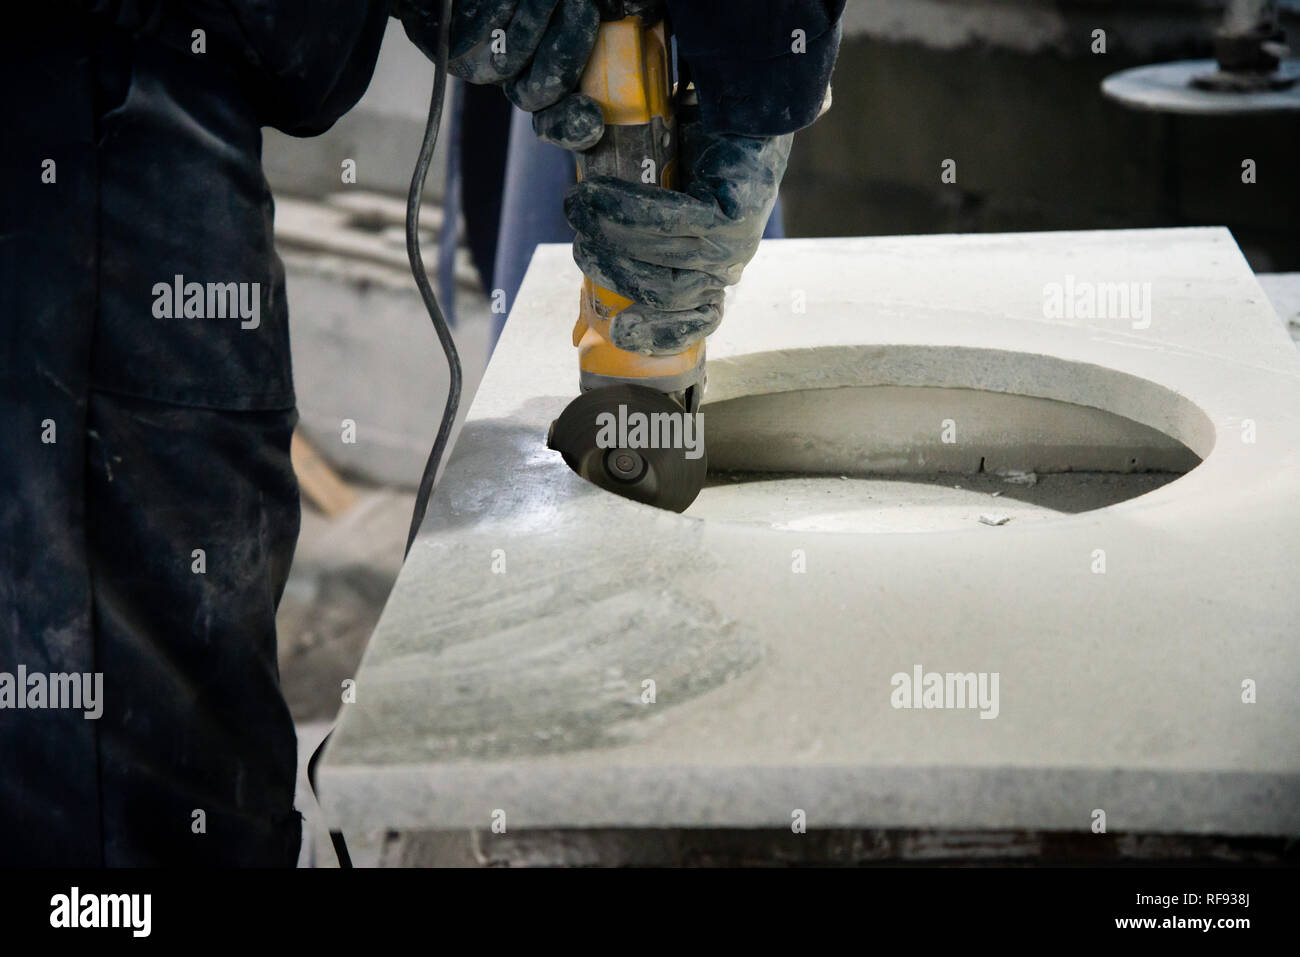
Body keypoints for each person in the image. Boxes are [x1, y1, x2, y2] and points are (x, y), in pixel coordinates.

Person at [0, 0, 842, 866]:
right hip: (71, 96)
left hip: (177, 75)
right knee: (122, 771)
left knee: (179, 718)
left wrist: (765, 82)